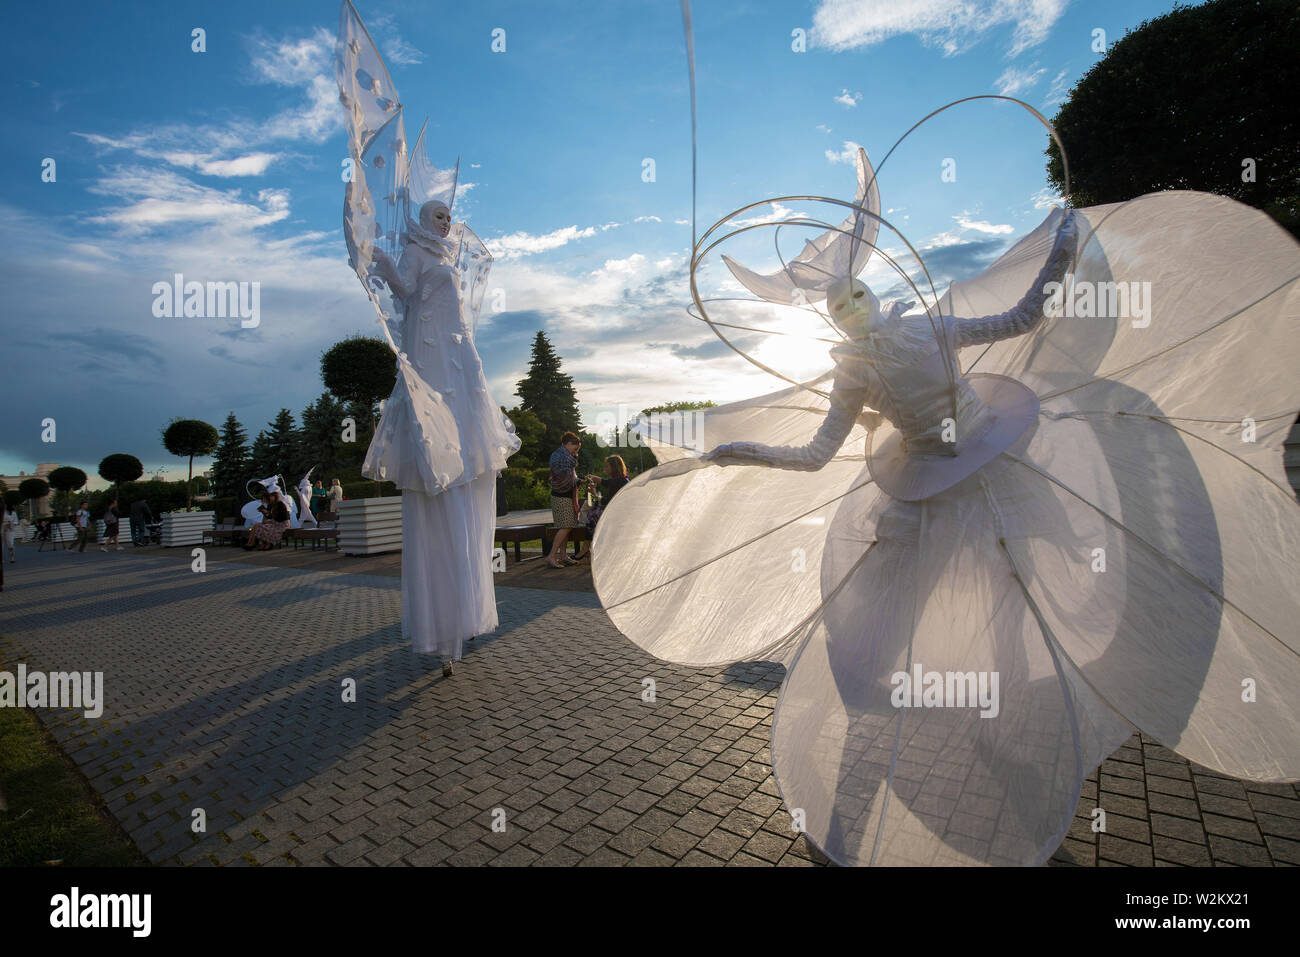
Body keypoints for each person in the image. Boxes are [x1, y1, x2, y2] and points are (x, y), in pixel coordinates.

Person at [574, 455, 629, 561]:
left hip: (618, 514)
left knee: (592, 515)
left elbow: (605, 486)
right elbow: (606, 499)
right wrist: (594, 492)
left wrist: (594, 482)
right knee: (593, 514)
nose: (605, 469)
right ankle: (586, 549)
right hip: (617, 512)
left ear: (614, 467)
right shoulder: (621, 479)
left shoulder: (620, 481)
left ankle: (585, 549)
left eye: (607, 466)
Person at [545, 433, 583, 568]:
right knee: (566, 527)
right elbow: (563, 478)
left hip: (565, 495)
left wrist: (578, 481)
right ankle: (551, 556)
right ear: (568, 444)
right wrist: (578, 481)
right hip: (560, 496)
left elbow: (570, 477)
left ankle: (563, 555)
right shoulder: (559, 456)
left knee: (565, 527)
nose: (576, 451)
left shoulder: (567, 457)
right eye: (575, 448)